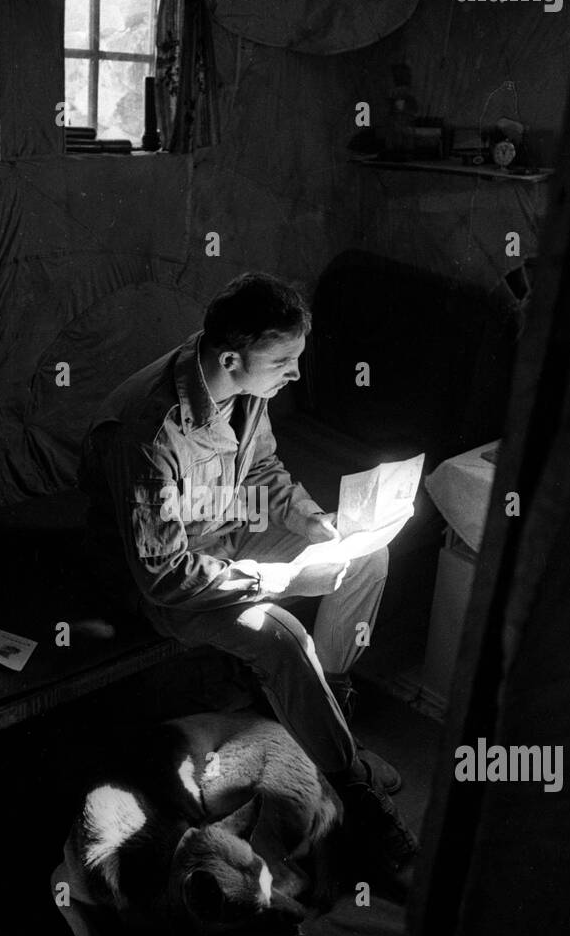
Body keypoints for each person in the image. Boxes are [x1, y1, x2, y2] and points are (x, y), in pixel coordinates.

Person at [78, 273, 418, 886]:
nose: (294, 373)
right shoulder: (149, 430)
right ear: (232, 358)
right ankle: (358, 799)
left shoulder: (238, 379)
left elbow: (260, 467)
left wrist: (312, 524)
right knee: (282, 635)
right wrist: (276, 575)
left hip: (225, 533)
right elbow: (164, 575)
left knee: (364, 556)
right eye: (283, 361)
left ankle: (331, 721)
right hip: (161, 581)